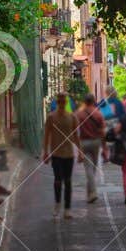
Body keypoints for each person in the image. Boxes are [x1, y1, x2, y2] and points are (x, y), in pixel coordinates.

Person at [42, 91, 79, 220]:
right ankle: (58, 204)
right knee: (58, 180)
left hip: (69, 154)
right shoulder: (51, 118)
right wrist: (46, 152)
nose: (62, 103)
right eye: (60, 101)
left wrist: (79, 151)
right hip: (56, 153)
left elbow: (76, 135)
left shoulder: (72, 117)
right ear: (58, 102)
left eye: (64, 101)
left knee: (68, 181)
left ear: (66, 102)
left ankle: (67, 209)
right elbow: (46, 135)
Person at [75, 95, 105, 204]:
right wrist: (105, 148)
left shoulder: (79, 114)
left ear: (84, 102)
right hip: (96, 142)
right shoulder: (98, 114)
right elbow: (102, 132)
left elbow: (75, 132)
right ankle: (92, 193)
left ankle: (91, 193)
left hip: (84, 142)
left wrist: (78, 149)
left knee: (89, 168)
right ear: (93, 102)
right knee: (93, 167)